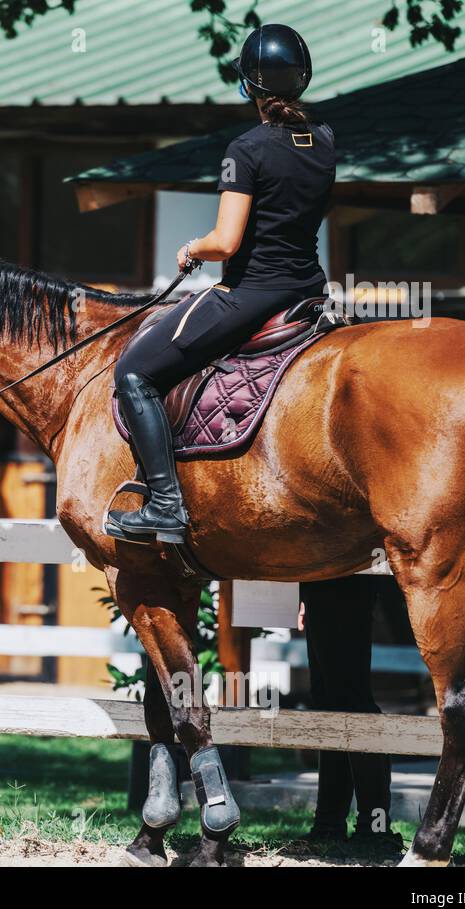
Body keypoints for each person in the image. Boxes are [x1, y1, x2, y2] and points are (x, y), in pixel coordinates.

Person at [106, 24, 334, 543]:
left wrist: (191, 249)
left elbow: (227, 242)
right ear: (301, 79)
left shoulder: (246, 149)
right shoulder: (324, 141)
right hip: (308, 291)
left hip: (251, 294)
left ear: (249, 86)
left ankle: (165, 505)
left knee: (135, 372)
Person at [299, 576, 407, 852]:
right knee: (329, 701)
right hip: (320, 577)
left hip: (344, 572)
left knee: (351, 699)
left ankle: (373, 827)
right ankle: (331, 824)